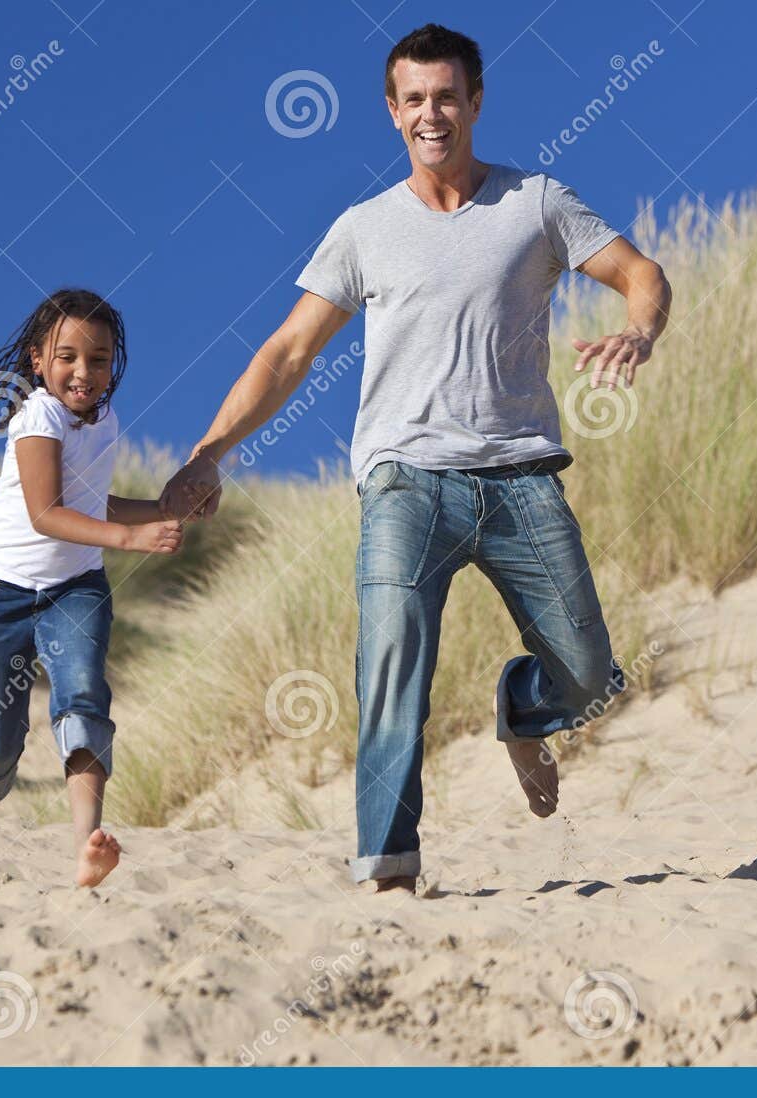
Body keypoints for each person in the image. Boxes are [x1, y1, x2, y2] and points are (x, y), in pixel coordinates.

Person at [160, 24, 672, 893]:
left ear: (475, 102)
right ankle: (388, 869)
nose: (431, 113)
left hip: (520, 474)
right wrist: (212, 451)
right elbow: (289, 351)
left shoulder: (536, 201)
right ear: (393, 112)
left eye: (446, 96)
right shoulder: (365, 229)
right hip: (405, 480)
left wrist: (639, 330)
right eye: (413, 100)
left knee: (588, 675)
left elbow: (640, 270)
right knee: (392, 664)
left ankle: (523, 705)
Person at [0, 288, 184, 890]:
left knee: (82, 699)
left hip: (75, 588)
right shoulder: (36, 416)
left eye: (99, 359)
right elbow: (46, 512)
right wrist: (133, 541)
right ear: (37, 360)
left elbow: (90, 503)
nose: (84, 371)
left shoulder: (105, 421)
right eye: (68, 356)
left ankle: (87, 848)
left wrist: (158, 508)